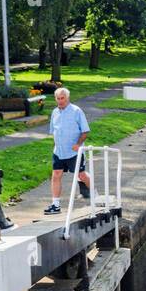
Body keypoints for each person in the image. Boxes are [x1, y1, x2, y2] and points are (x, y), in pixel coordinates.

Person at [44, 86, 92, 214]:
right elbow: (54, 131)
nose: (60, 101)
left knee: (81, 175)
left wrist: (78, 144)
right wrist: (56, 145)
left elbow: (85, 131)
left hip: (74, 152)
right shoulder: (54, 112)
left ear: (68, 98)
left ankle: (96, 195)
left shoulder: (76, 111)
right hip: (58, 152)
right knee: (56, 175)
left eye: (62, 98)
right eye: (58, 98)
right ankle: (56, 204)